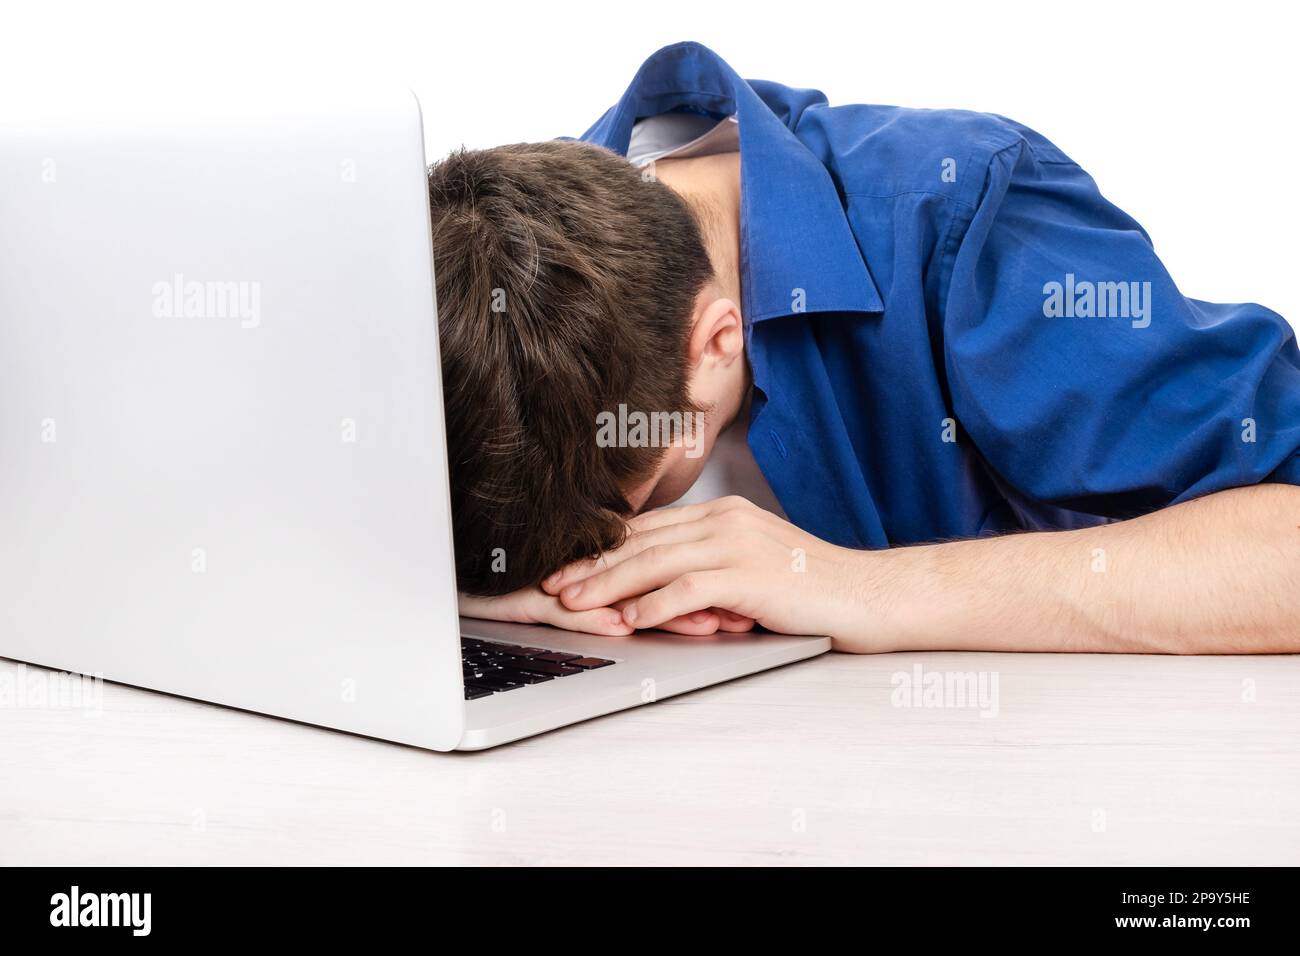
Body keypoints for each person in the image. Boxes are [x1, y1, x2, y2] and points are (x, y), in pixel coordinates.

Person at [429, 41, 1300, 654]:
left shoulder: (968, 217)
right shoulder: (482, 265)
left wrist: (853, 587)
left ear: (717, 341)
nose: (626, 535)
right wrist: (497, 586)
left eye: (637, 496)